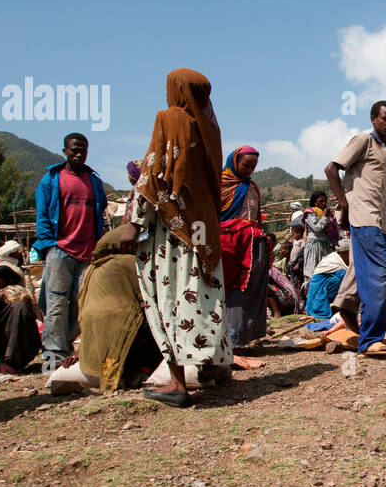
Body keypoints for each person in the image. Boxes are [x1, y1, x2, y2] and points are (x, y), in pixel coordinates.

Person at [117, 68, 231, 407]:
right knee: (203, 296)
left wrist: (134, 223)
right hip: (204, 229)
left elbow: (155, 171)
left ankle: (177, 383)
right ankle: (216, 370)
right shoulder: (210, 128)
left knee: (169, 297)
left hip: (174, 229)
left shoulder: (169, 118)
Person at [325, 101, 386, 357]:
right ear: (373, 119)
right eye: (385, 119)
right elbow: (331, 168)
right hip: (363, 218)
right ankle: (369, 339)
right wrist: (344, 204)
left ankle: (369, 334)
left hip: (380, 222)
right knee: (380, 274)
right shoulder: (363, 141)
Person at [34, 133, 108, 371]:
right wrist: (48, 246)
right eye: (74, 150)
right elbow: (43, 215)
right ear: (64, 151)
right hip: (59, 250)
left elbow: (100, 213)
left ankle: (69, 343)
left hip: (87, 251)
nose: (79, 154)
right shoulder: (52, 179)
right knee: (56, 302)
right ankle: (54, 354)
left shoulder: (93, 181)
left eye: (83, 150)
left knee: (82, 304)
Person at [76, 225, 162, 391]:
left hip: (92, 330)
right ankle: (135, 371)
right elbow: (151, 298)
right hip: (120, 328)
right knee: (157, 321)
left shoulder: (94, 267)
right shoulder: (130, 263)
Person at [218, 145, 270, 348]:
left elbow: (256, 217)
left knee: (251, 288)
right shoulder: (220, 184)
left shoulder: (252, 187)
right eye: (246, 165)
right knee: (233, 288)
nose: (249, 170)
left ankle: (247, 336)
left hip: (252, 243)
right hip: (229, 245)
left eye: (253, 166)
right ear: (234, 162)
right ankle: (230, 339)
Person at [302, 189, 337, 281]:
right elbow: (317, 229)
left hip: (326, 246)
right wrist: (325, 217)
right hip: (314, 246)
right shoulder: (310, 213)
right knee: (313, 272)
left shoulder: (329, 214)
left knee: (327, 271)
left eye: (325, 201)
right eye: (321, 201)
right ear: (315, 202)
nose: (324, 203)